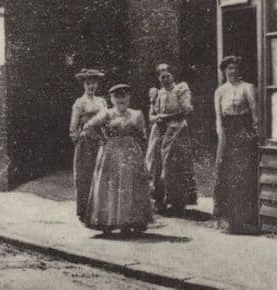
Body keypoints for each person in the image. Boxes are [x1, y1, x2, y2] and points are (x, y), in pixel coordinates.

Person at [83, 83, 152, 235]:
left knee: (129, 185)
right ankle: (107, 222)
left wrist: (142, 156)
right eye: (117, 97)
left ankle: (129, 223)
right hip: (110, 154)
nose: (121, 100)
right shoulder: (106, 114)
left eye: (124, 96)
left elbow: (143, 136)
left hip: (130, 154)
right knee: (110, 185)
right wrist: (102, 138)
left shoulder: (136, 114)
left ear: (129, 98)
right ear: (112, 99)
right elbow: (88, 127)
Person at [212, 55, 260, 234]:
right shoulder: (220, 91)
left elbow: (255, 115)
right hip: (227, 133)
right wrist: (222, 137)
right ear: (224, 71)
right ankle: (228, 220)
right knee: (225, 173)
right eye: (229, 68)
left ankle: (244, 219)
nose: (232, 71)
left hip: (243, 131)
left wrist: (253, 135)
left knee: (243, 174)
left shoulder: (247, 87)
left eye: (235, 68)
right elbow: (218, 118)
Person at [146, 63, 197, 213]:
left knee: (172, 163)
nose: (164, 79)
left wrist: (167, 116)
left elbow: (187, 110)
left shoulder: (181, 89)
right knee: (156, 163)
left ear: (173, 75)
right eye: (161, 76)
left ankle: (176, 201)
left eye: (167, 75)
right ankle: (159, 200)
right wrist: (157, 117)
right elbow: (151, 116)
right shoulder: (157, 93)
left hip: (176, 129)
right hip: (159, 130)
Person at [69, 68, 108, 222]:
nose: (91, 86)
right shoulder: (80, 102)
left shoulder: (102, 101)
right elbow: (73, 126)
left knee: (100, 174)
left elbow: (107, 119)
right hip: (86, 142)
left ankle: (99, 209)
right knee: (85, 175)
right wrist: (78, 140)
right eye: (88, 83)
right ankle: (84, 209)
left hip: (101, 141)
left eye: (94, 83)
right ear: (84, 84)